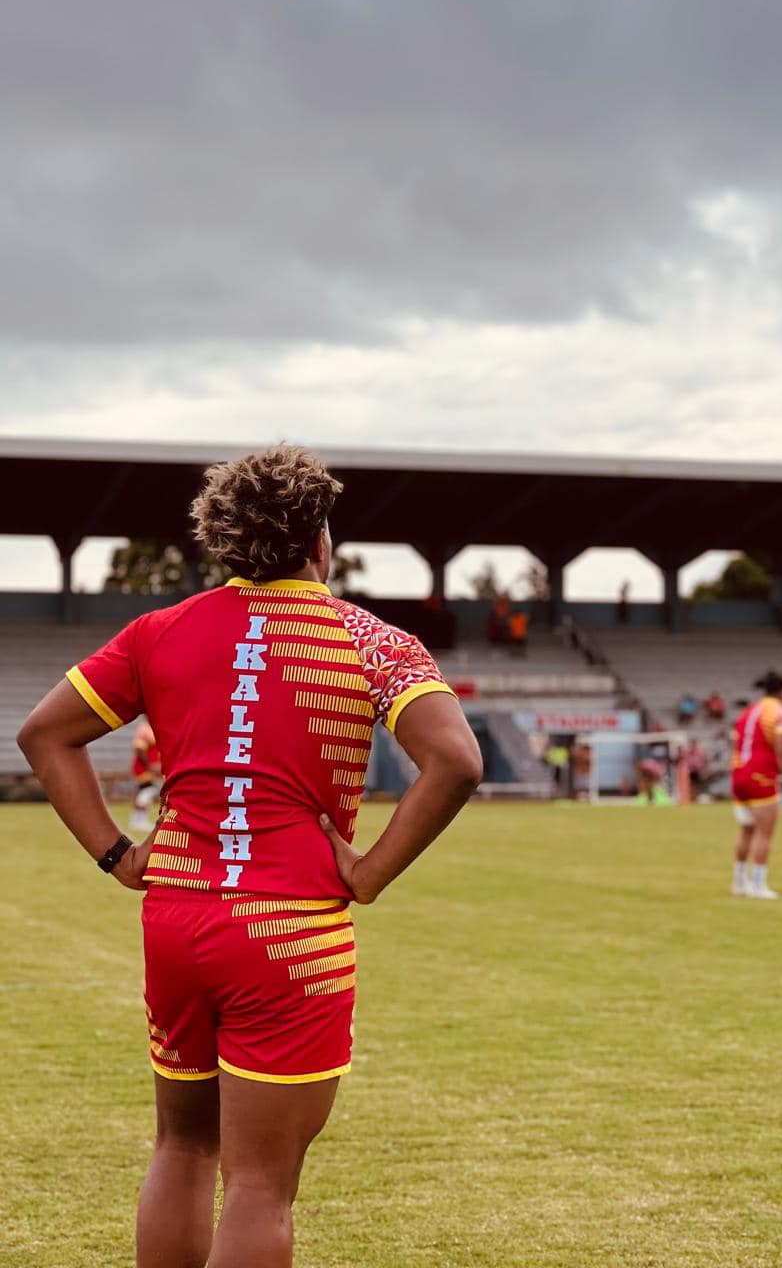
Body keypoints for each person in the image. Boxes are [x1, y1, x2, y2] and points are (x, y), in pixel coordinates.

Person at [17, 445, 483, 1268]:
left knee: (181, 1147)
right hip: (289, 934)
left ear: (224, 540)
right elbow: (455, 761)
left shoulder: (159, 631)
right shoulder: (371, 642)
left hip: (177, 920)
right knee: (260, 1185)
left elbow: (44, 734)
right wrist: (368, 874)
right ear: (321, 539)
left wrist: (116, 853)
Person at [729, 669, 782, 899]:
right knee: (764, 833)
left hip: (739, 774)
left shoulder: (748, 711)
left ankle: (739, 882)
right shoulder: (781, 713)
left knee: (746, 831)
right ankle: (759, 886)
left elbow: (736, 742)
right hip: (762, 776)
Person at [130, 719, 162, 832]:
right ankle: (139, 820)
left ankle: (137, 819)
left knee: (145, 791)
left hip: (150, 768)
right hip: (144, 768)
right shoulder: (145, 729)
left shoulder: (153, 727)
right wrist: (150, 766)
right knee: (146, 791)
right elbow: (139, 748)